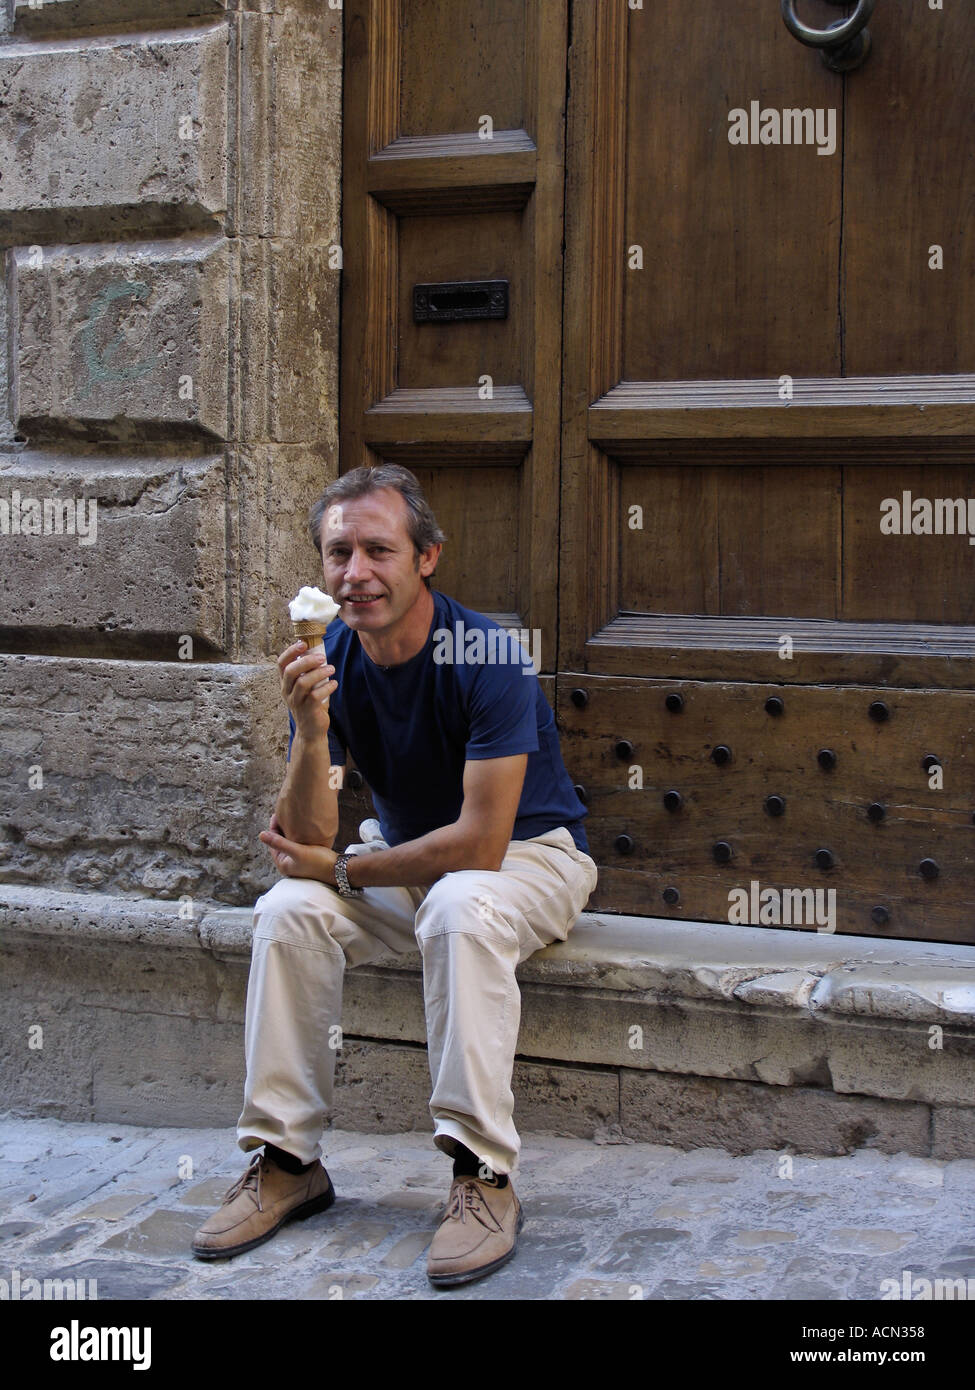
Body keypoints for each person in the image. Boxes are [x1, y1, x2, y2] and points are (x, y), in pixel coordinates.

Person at [192, 464, 597, 1286]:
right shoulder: (330, 653)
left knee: (458, 902)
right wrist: (309, 732)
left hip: (524, 857)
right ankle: (285, 1159)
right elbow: (305, 837)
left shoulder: (485, 654)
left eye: (379, 549)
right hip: (403, 855)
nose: (355, 573)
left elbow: (481, 844)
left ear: (427, 559)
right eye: (338, 552)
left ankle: (482, 1175)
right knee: (286, 911)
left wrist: (342, 865)